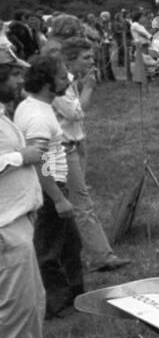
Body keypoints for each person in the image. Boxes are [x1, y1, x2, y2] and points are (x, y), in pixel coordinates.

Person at [0, 62, 63, 338]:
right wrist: (19, 157)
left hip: (18, 217)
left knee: (32, 301)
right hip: (4, 223)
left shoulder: (4, 114)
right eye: (12, 77)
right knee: (14, 309)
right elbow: (12, 158)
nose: (19, 82)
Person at [14, 54, 84, 319]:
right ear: (46, 83)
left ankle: (75, 297)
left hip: (54, 185)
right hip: (49, 189)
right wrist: (58, 198)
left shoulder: (37, 106)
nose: (68, 79)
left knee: (71, 245)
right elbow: (38, 160)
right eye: (61, 75)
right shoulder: (37, 116)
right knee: (48, 250)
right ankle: (56, 305)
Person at [53, 38, 130, 272]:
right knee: (81, 203)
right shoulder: (58, 85)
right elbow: (75, 113)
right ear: (70, 59)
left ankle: (74, 253)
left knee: (74, 201)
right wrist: (88, 88)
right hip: (61, 149)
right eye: (86, 57)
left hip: (75, 143)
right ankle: (100, 256)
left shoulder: (69, 81)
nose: (92, 61)